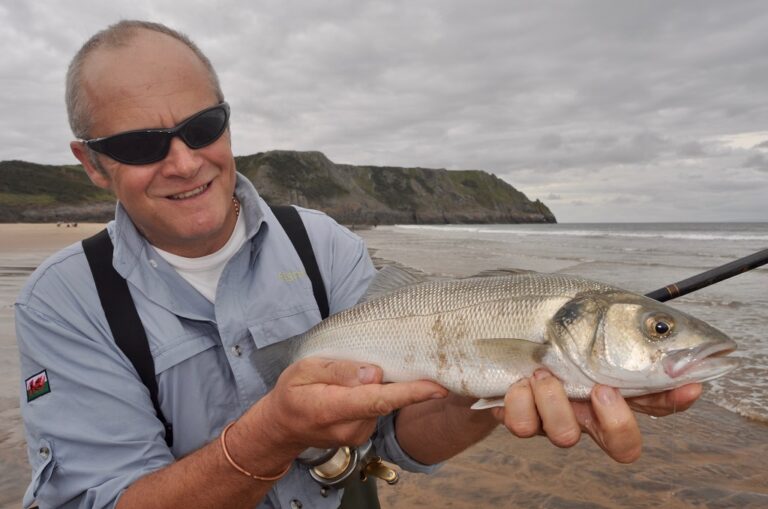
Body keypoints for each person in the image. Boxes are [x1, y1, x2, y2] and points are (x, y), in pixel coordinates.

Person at [16, 20, 702, 509]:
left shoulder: (324, 245)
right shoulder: (64, 302)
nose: (186, 160)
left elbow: (400, 440)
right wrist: (272, 434)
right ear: (93, 163)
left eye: (202, 128)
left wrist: (482, 397)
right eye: (141, 143)